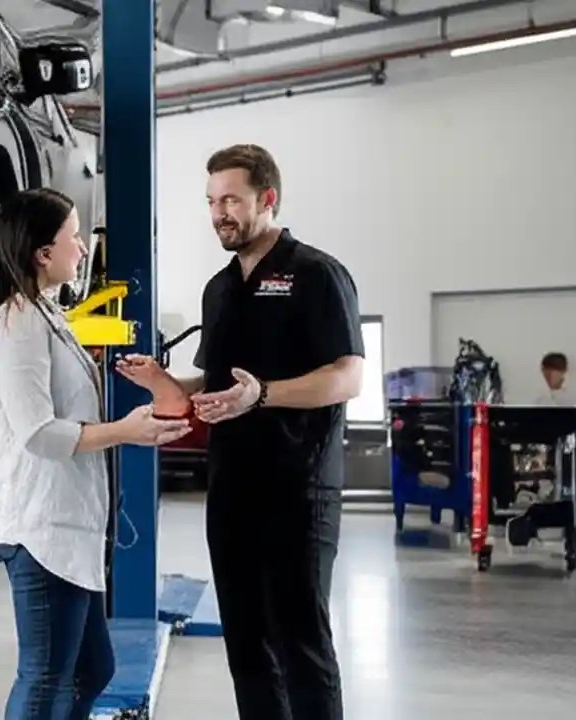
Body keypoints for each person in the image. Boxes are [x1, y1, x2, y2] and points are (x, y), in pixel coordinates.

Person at [115, 144, 364, 720]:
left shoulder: (316, 275)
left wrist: (265, 394)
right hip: (231, 490)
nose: (219, 213)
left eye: (231, 199)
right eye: (210, 201)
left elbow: (348, 375)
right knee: (246, 646)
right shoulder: (219, 288)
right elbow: (214, 382)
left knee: (301, 643)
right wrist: (162, 380)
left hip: (298, 490)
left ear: (267, 199)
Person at [0, 187, 192, 720]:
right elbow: (39, 433)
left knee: (93, 670)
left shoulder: (47, 315)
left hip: (69, 527)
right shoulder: (18, 321)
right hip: (39, 529)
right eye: (74, 238)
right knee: (46, 677)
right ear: (43, 253)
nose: (82, 249)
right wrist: (124, 430)